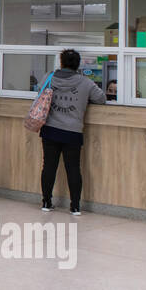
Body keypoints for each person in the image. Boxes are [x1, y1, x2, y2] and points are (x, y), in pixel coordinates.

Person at [38, 49, 105, 215]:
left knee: (49, 167)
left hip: (50, 129)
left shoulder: (49, 78)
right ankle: (75, 206)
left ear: (61, 62)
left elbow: (38, 91)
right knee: (73, 168)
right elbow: (101, 98)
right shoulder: (86, 83)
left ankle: (46, 202)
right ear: (78, 64)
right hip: (73, 132)